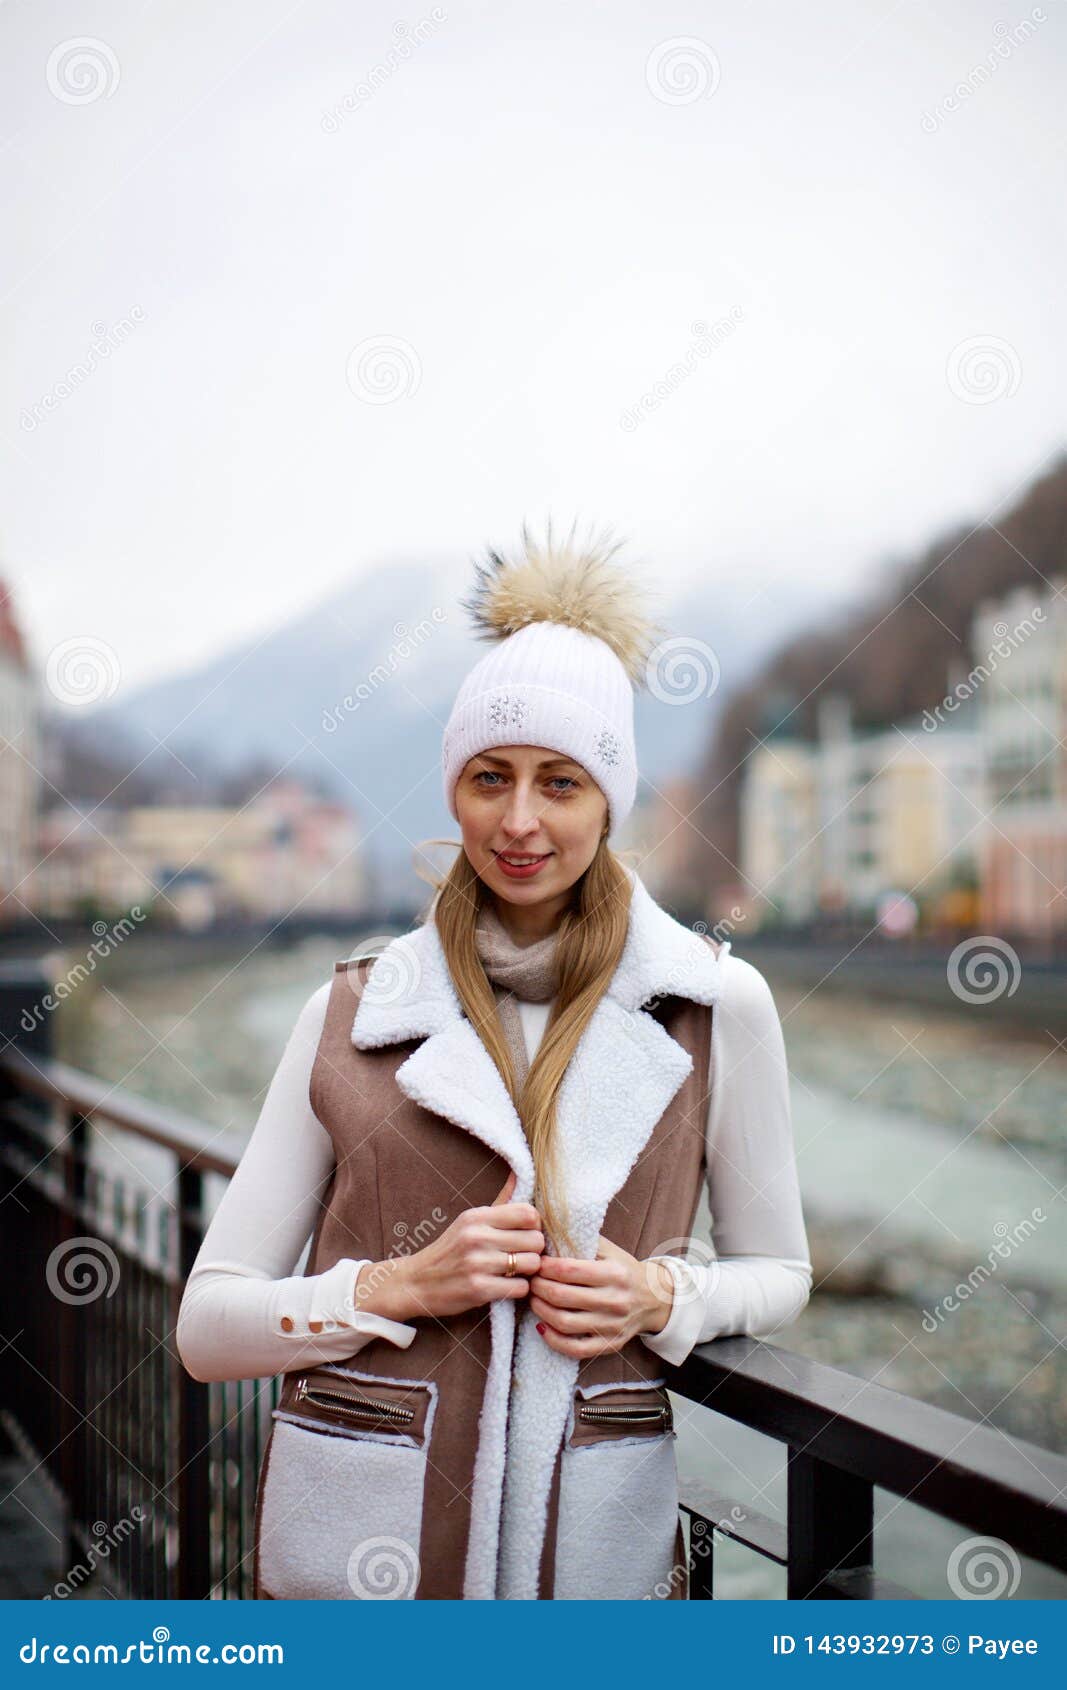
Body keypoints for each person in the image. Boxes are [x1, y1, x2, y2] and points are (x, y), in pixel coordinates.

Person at [175, 519, 812, 1601]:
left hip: (590, 1563)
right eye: (488, 777)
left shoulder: (714, 1004)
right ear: (452, 787)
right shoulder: (352, 1008)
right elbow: (205, 1327)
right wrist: (393, 1284)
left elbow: (781, 1273)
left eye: (559, 782)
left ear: (608, 797)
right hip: (364, 1571)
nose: (517, 820)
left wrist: (660, 1296)